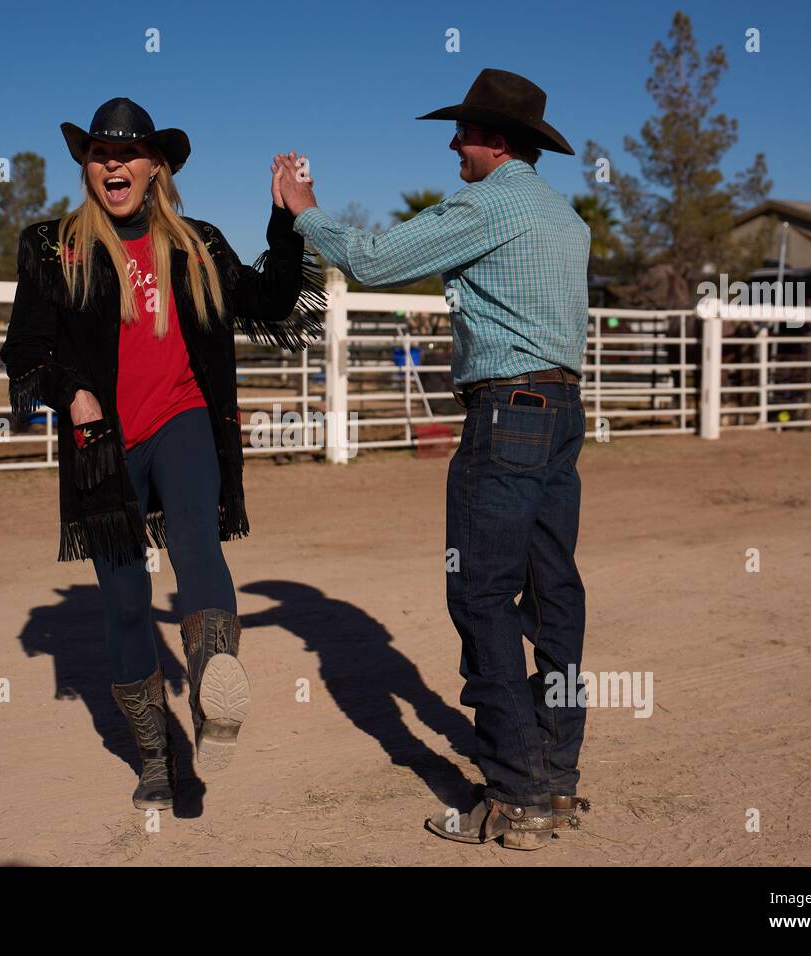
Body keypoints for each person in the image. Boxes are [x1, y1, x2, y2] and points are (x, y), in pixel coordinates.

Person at [272, 68, 592, 850]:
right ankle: (553, 777)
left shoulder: (490, 204)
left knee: (481, 591)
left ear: (498, 143)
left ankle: (514, 795)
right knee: (552, 590)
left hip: (505, 412)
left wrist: (307, 216)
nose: (455, 143)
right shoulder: (565, 217)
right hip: (559, 410)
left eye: (466, 132)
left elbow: (379, 260)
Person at [2, 98, 323, 811]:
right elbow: (23, 352)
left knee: (195, 544)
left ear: (156, 167)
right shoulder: (53, 247)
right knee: (124, 603)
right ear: (88, 166)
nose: (112, 162)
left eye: (128, 152)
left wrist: (288, 220)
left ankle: (215, 695)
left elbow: (272, 301)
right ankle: (155, 759)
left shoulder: (198, 245)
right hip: (102, 440)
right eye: (98, 152)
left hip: (184, 419)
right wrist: (72, 391)